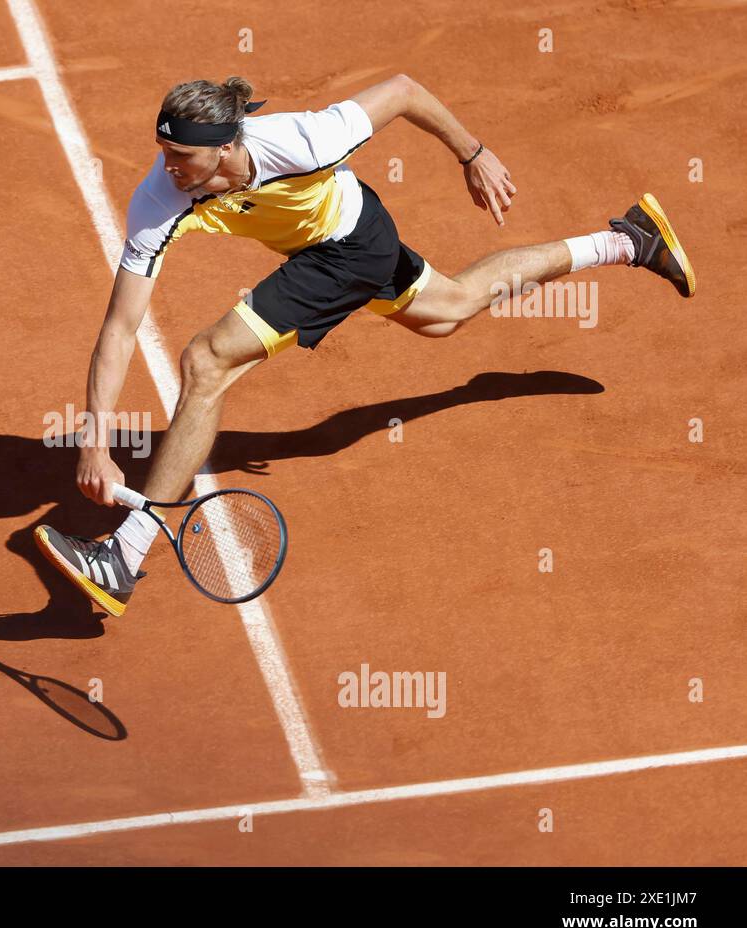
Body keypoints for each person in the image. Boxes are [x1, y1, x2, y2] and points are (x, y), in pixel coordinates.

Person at [34, 74, 695, 617]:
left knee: (206, 361)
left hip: (350, 242)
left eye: (183, 157)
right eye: (165, 152)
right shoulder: (160, 196)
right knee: (449, 310)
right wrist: (94, 441)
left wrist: (472, 152)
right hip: (325, 245)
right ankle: (628, 241)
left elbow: (405, 91)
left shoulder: (305, 138)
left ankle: (124, 554)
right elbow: (120, 328)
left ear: (227, 146)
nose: (168, 167)